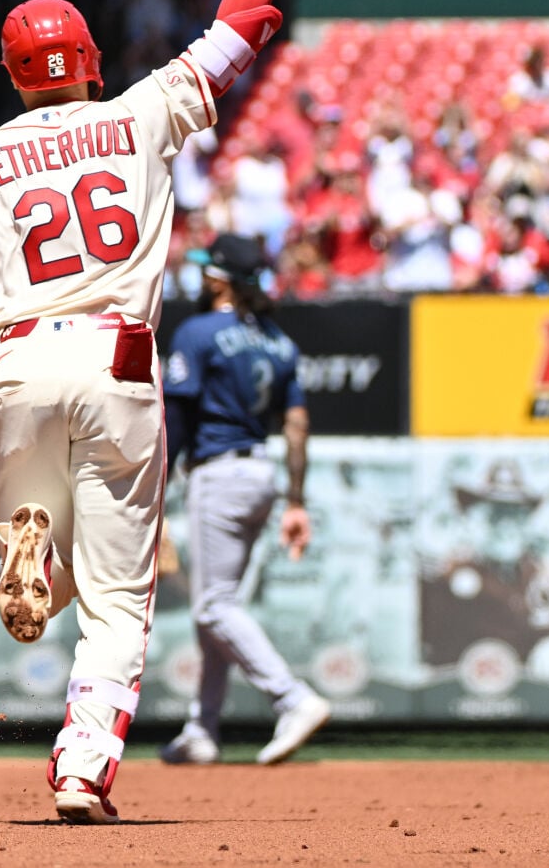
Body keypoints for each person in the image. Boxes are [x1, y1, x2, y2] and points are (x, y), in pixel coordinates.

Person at [0, 0, 289, 825]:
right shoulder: (142, 110)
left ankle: (29, 549)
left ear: (14, 74)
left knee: (41, 572)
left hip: (18, 361)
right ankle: (79, 765)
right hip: (115, 360)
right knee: (117, 598)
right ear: (88, 61)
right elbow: (242, 22)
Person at [155, 234, 327, 768]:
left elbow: (176, 420)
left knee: (213, 606)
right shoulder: (278, 340)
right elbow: (296, 425)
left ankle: (291, 698)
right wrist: (296, 502)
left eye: (207, 268)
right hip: (262, 475)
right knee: (217, 604)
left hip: (220, 473)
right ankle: (202, 729)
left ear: (218, 278)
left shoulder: (199, 331)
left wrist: (153, 498)